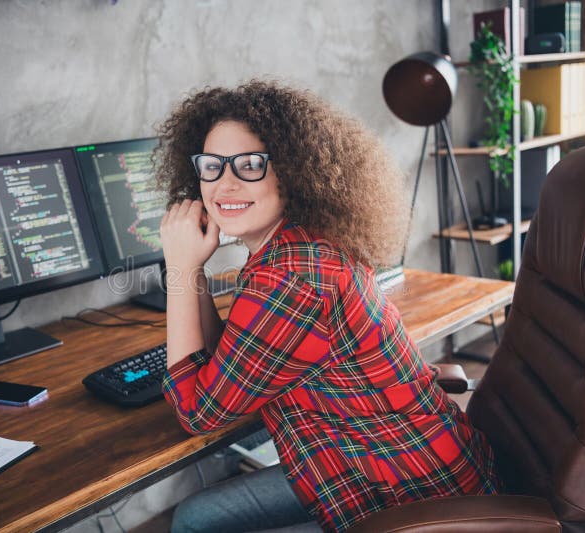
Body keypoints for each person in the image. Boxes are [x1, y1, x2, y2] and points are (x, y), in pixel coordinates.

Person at [157, 80, 500, 533]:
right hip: (367, 464)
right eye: (212, 167)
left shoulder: (292, 277)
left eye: (250, 164)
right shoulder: (292, 247)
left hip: (407, 499)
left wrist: (178, 267)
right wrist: (194, 267)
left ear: (292, 171)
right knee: (198, 516)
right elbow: (229, 363)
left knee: (192, 524)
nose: (225, 183)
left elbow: (198, 412)